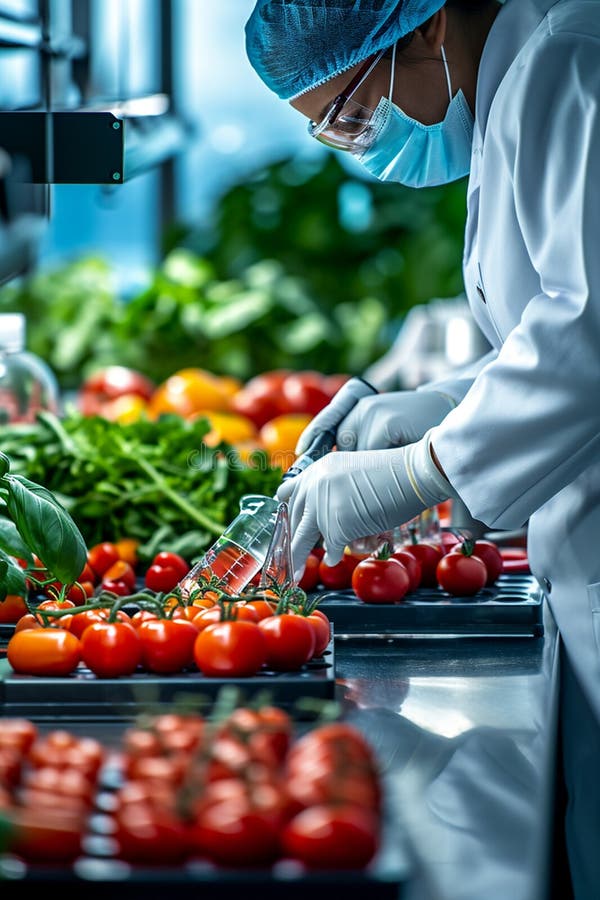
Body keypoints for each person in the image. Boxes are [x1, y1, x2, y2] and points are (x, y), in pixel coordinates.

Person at [245, 2, 600, 897]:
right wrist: (441, 405)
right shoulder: (510, 87)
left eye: (354, 114)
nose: (362, 145)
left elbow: (591, 333)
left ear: (430, 28)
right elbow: (543, 330)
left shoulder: (572, 61)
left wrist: (423, 470)